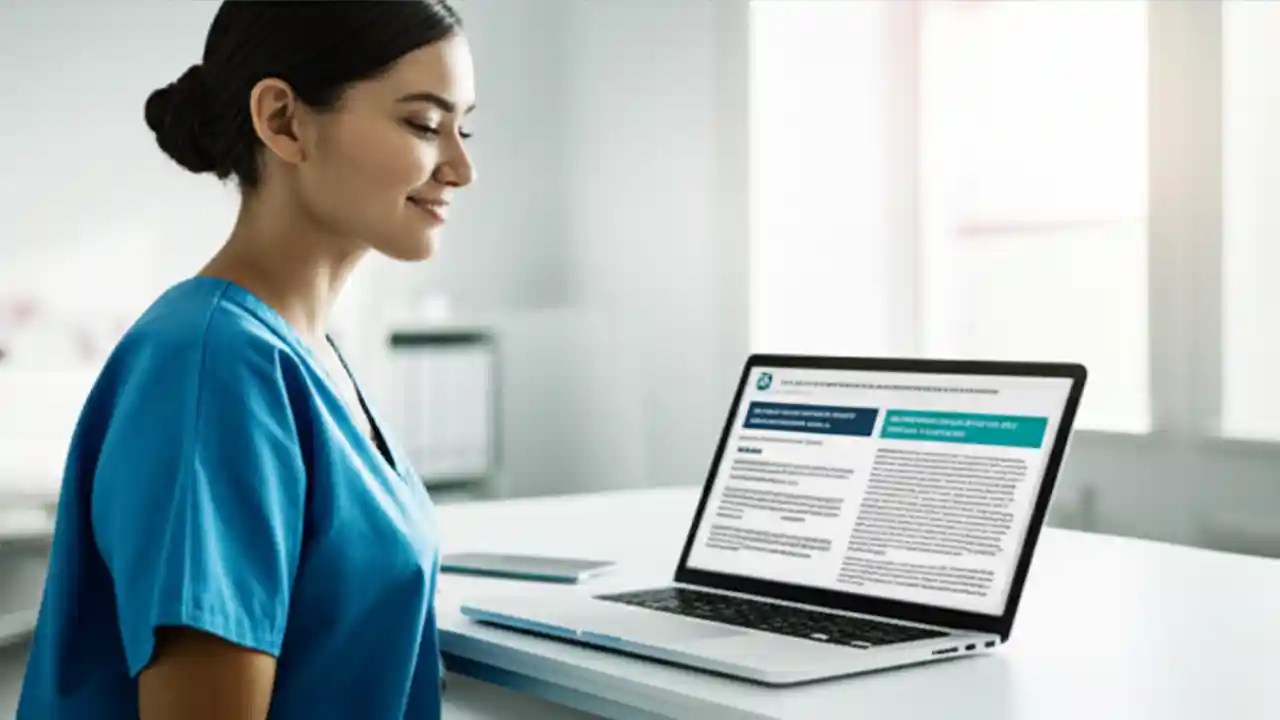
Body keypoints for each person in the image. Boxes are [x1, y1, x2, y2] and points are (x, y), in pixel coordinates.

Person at [17, 2, 475, 718]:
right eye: (423, 124)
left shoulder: (310, 358)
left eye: (463, 127)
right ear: (284, 120)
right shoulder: (213, 368)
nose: (461, 167)